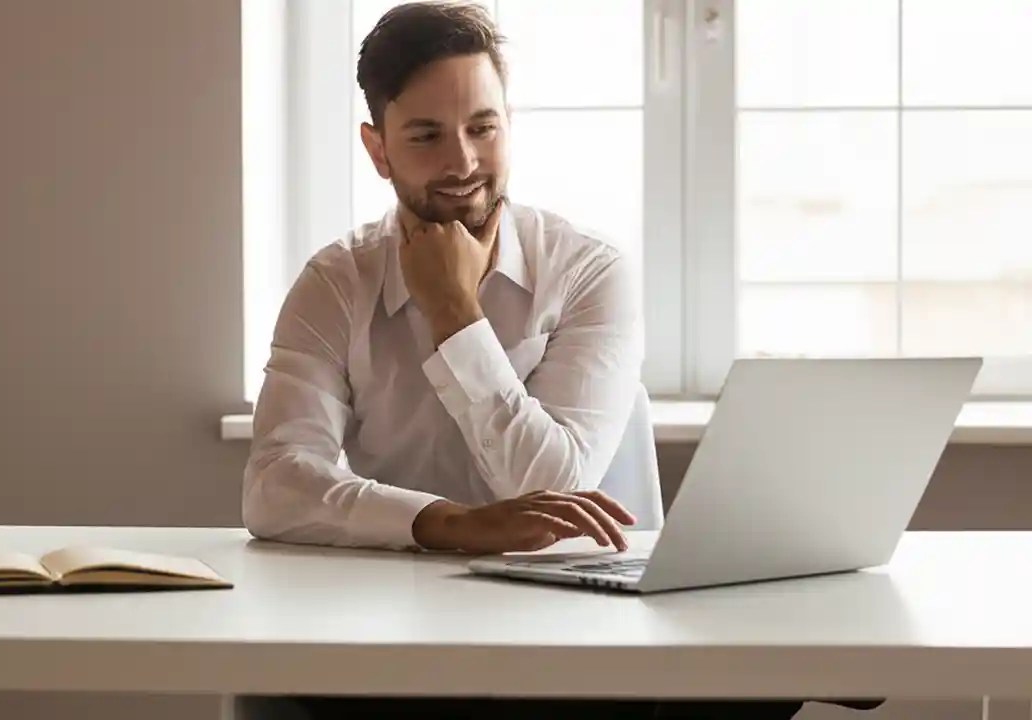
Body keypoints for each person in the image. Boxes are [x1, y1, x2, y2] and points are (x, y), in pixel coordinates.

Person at [242, 2, 881, 717]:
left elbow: (553, 487)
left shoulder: (587, 272)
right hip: (404, 631)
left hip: (579, 636)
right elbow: (275, 485)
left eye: (483, 127)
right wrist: (446, 523)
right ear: (378, 148)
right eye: (426, 136)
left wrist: (455, 314)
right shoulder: (336, 282)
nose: (463, 162)